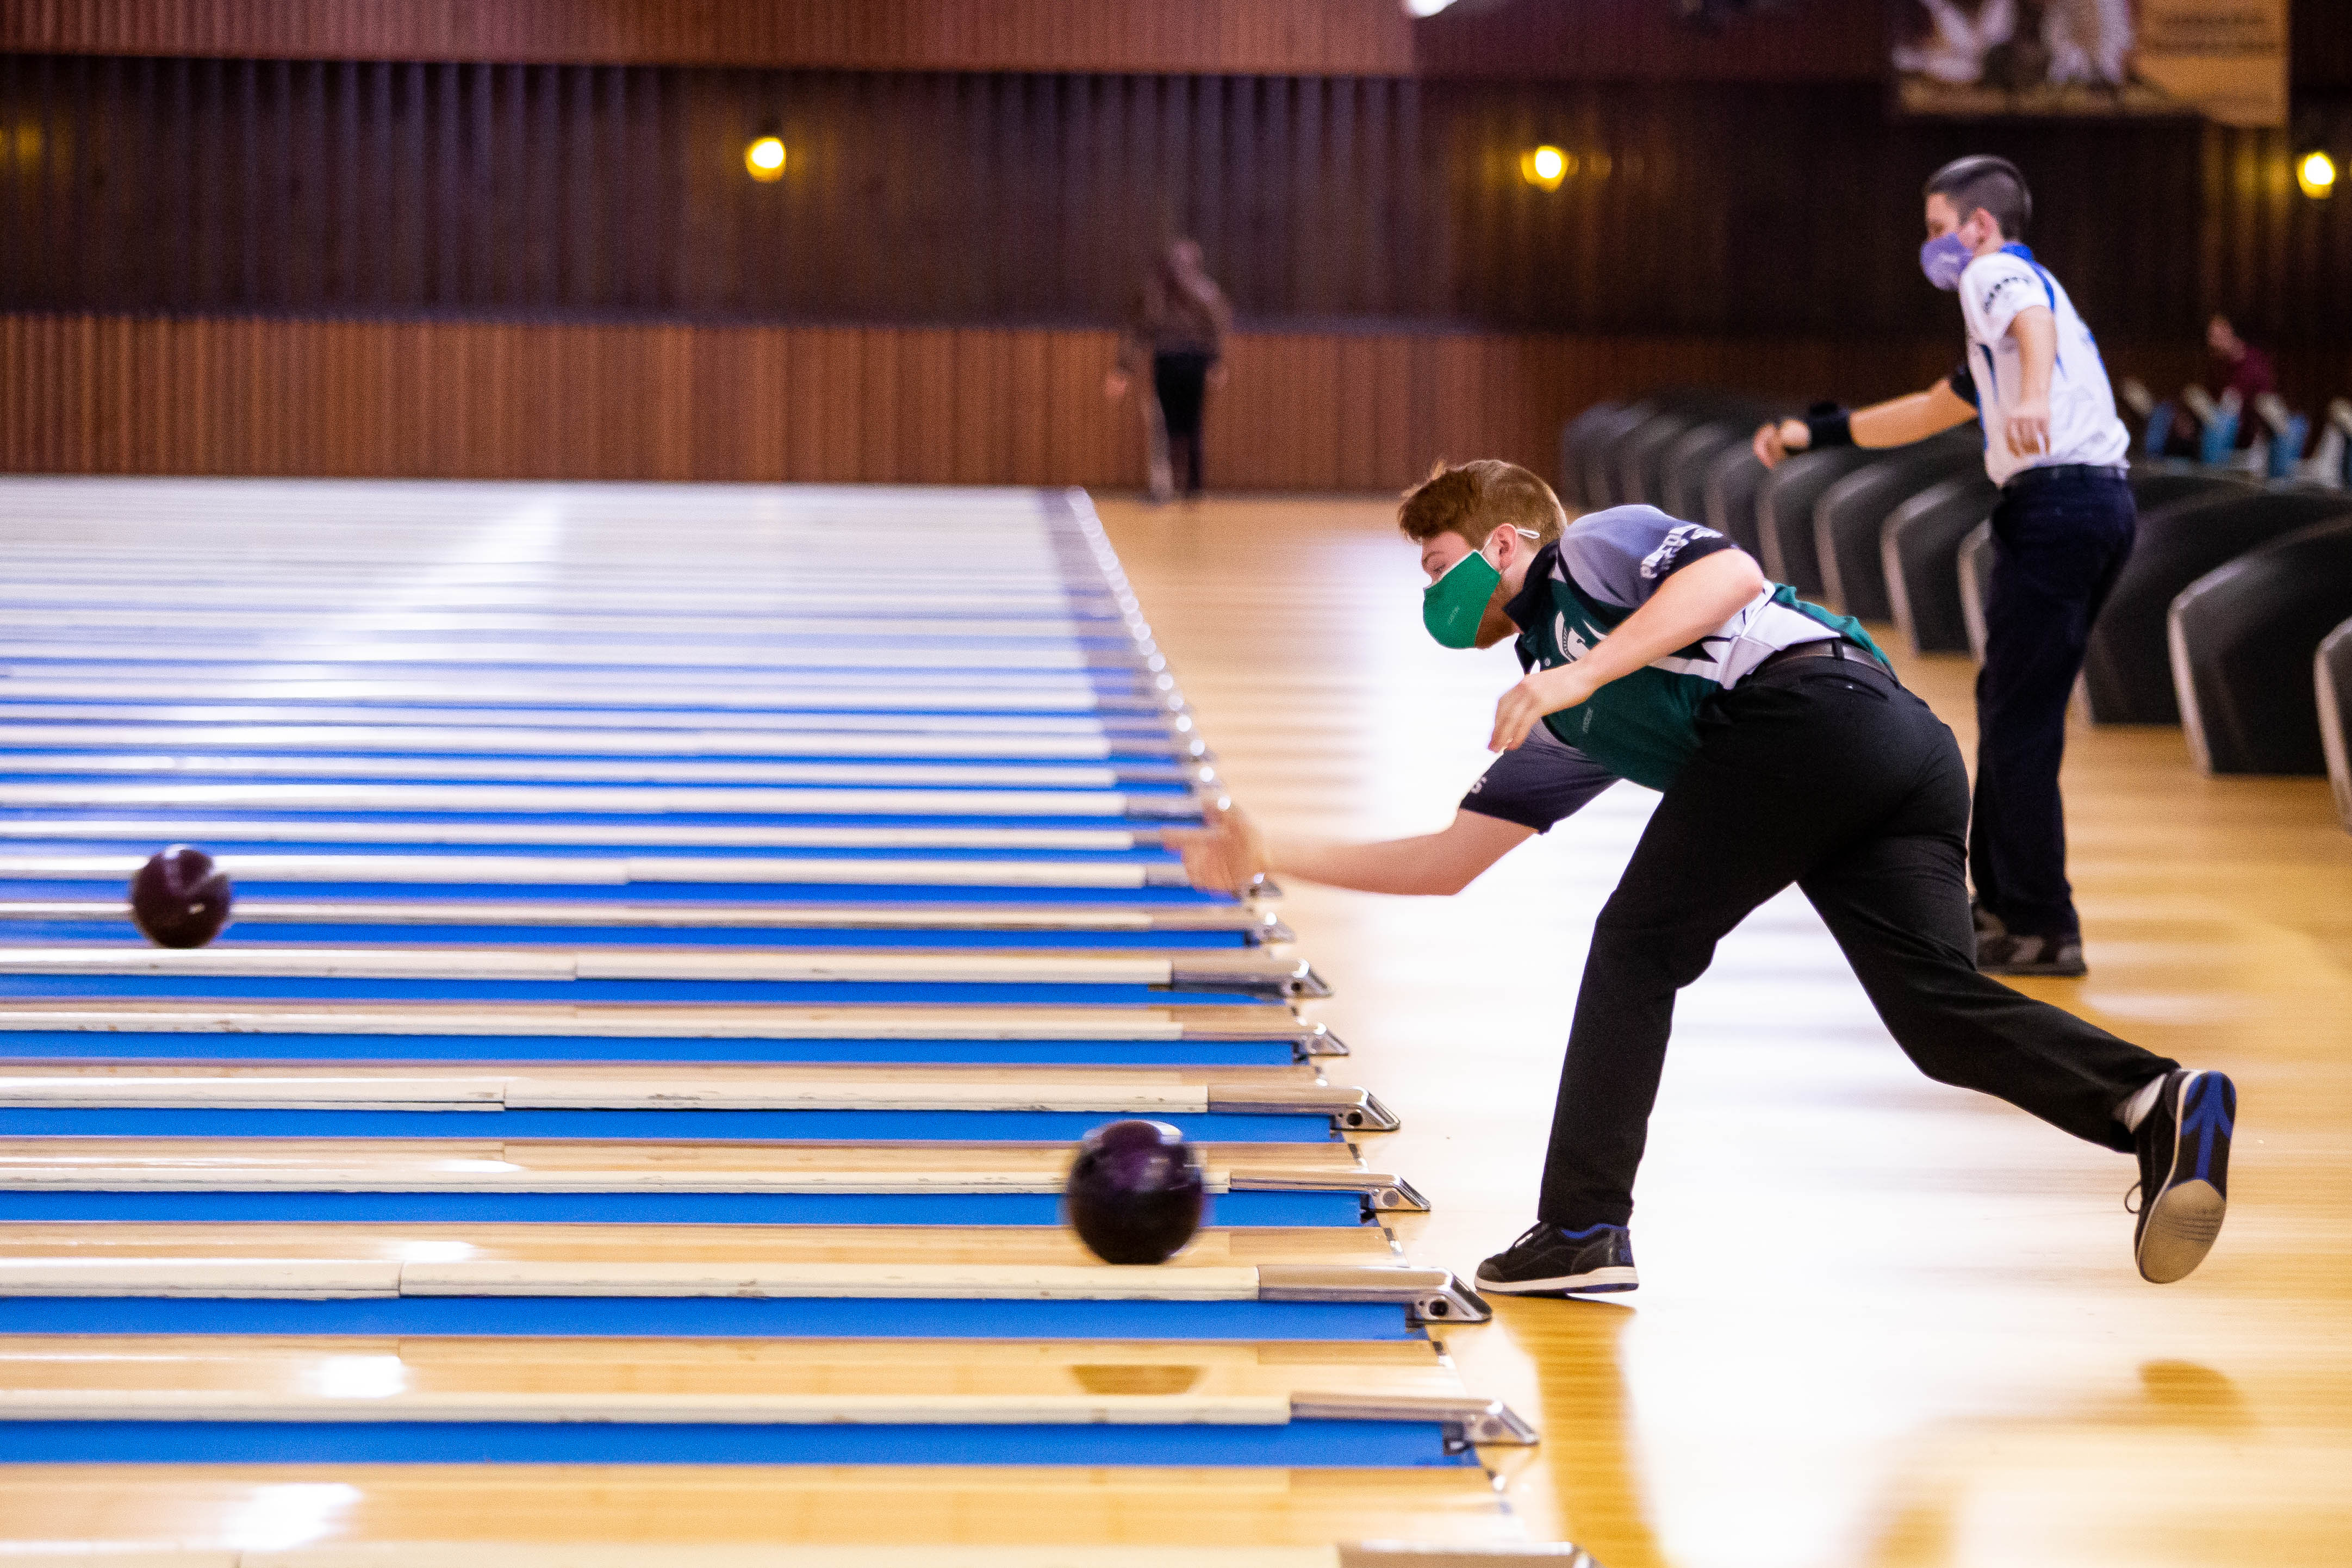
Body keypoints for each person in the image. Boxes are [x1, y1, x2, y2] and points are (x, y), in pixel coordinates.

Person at [1169, 459, 2236, 1297]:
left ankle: (1584, 1224)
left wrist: (1580, 667)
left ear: (1504, 540)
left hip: (1821, 715)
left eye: (1437, 559)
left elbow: (1726, 574)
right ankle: (2154, 1097)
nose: (1430, 590)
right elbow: (1453, 858)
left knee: (1638, 941)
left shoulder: (1591, 549)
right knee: (1938, 1018)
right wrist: (1273, 854)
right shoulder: (1565, 698)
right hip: (1885, 753)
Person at [1753, 154, 2128, 978]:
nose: (1931, 249)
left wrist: (2030, 395)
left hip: (2059, 503)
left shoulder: (1996, 274)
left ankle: (2037, 923)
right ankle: (2004, 910)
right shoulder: (2001, 318)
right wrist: (1813, 434)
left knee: (2017, 717)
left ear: (1979, 225)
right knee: (2009, 708)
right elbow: (1929, 410)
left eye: (1935, 230)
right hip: (2083, 506)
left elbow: (2027, 324)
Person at [1106, 240, 1232, 503]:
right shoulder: (1195, 293)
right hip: (1178, 360)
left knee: (1176, 424)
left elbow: (1216, 330)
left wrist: (1218, 362)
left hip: (1179, 361)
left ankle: (1180, 488)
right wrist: (1122, 370)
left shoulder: (1173, 293)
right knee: (1177, 423)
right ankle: (1183, 488)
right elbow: (1215, 330)